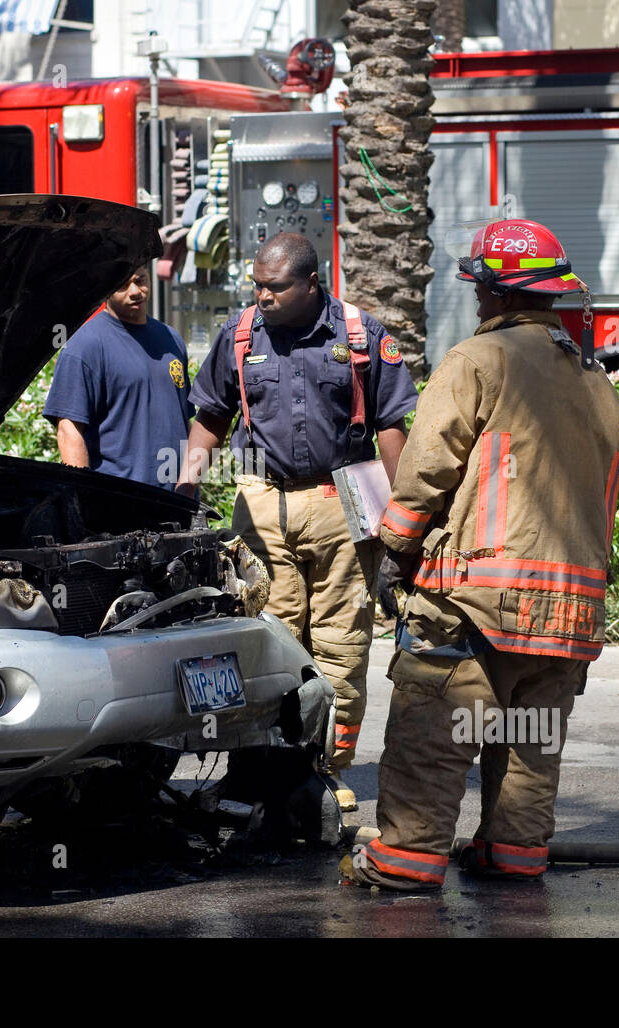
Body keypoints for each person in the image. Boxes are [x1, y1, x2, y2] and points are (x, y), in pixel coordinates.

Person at [343, 218, 619, 890]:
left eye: (480, 290)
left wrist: (395, 549)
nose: (475, 302)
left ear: (496, 294)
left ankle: (406, 863)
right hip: (569, 610)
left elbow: (424, 471)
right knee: (530, 745)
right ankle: (513, 853)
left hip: (473, 596)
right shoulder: (596, 382)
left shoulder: (479, 360)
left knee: (432, 733)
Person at [177, 233, 417, 809]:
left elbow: (391, 425)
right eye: (256, 285)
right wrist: (185, 486)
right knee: (267, 644)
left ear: (312, 283)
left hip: (342, 507)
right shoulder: (240, 336)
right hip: (260, 506)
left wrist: (406, 515)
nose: (262, 297)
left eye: (275, 287)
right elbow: (212, 414)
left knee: (339, 645)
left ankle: (324, 774)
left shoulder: (360, 336)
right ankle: (267, 769)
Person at [43, 266, 193, 490]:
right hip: (120, 503)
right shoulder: (84, 345)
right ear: (106, 288)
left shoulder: (171, 339)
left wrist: (190, 485)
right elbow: (69, 431)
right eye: (122, 284)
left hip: (178, 501)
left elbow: (184, 420)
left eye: (140, 280)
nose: (135, 291)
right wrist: (84, 499)